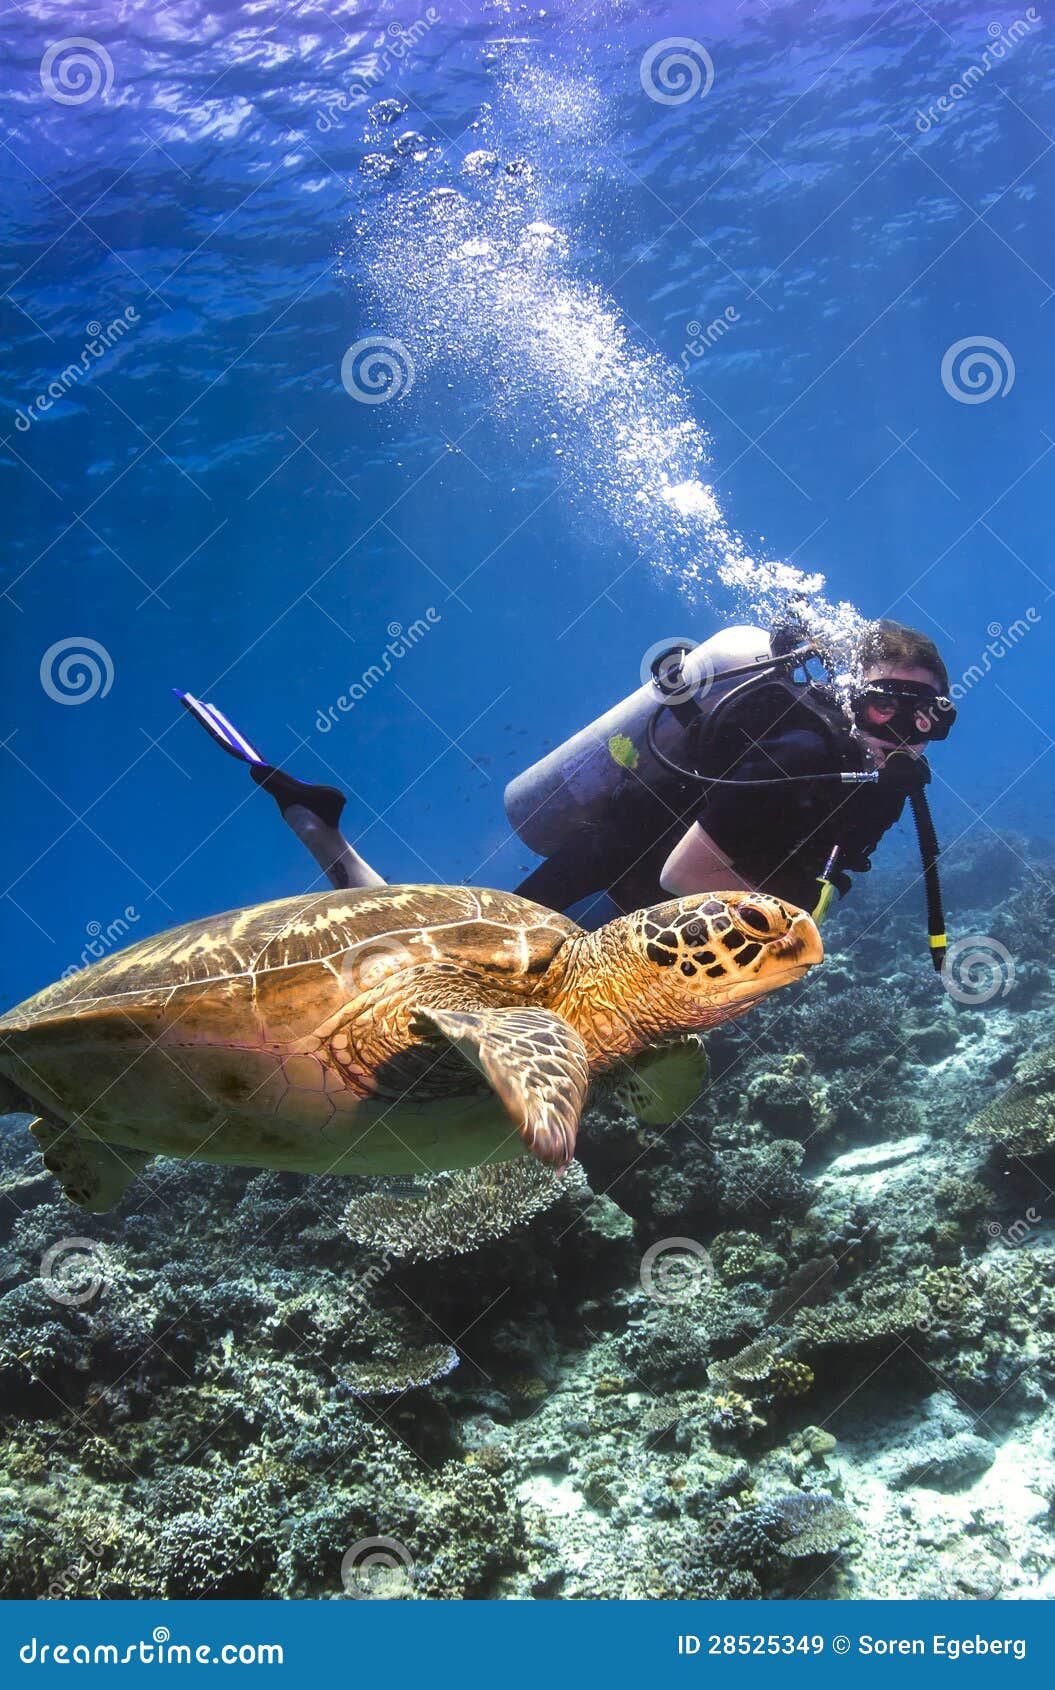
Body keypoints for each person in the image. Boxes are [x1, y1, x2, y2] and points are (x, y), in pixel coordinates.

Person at [176, 616, 956, 968]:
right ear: (853, 694)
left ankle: (321, 828)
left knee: (443, 957)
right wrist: (784, 938)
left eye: (928, 714)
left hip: (635, 902)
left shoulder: (885, 777)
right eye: (885, 703)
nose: (903, 727)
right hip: (613, 874)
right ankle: (324, 834)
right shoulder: (798, 747)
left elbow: (821, 865)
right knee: (432, 972)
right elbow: (684, 877)